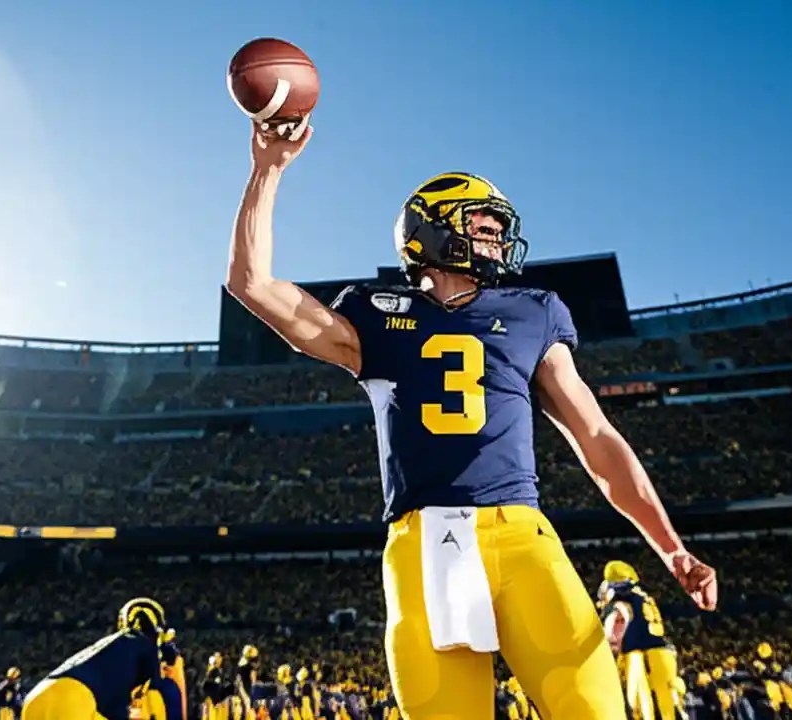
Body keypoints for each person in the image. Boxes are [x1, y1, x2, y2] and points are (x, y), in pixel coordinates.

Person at [224, 119, 718, 720]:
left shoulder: (534, 311)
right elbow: (251, 284)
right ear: (430, 231)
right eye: (481, 224)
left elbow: (595, 437)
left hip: (521, 535)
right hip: (422, 543)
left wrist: (669, 548)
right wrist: (268, 168)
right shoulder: (375, 315)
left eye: (497, 228)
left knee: (596, 712)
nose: (495, 238)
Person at [21, 597, 185, 720]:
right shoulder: (144, 645)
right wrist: (177, 670)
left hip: (36, 697)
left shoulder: (109, 648)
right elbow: (162, 693)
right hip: (73, 700)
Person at [598, 561, 682, 720]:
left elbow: (616, 620)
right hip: (663, 654)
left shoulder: (621, 596)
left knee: (640, 707)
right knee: (669, 708)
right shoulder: (644, 596)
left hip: (639, 654)